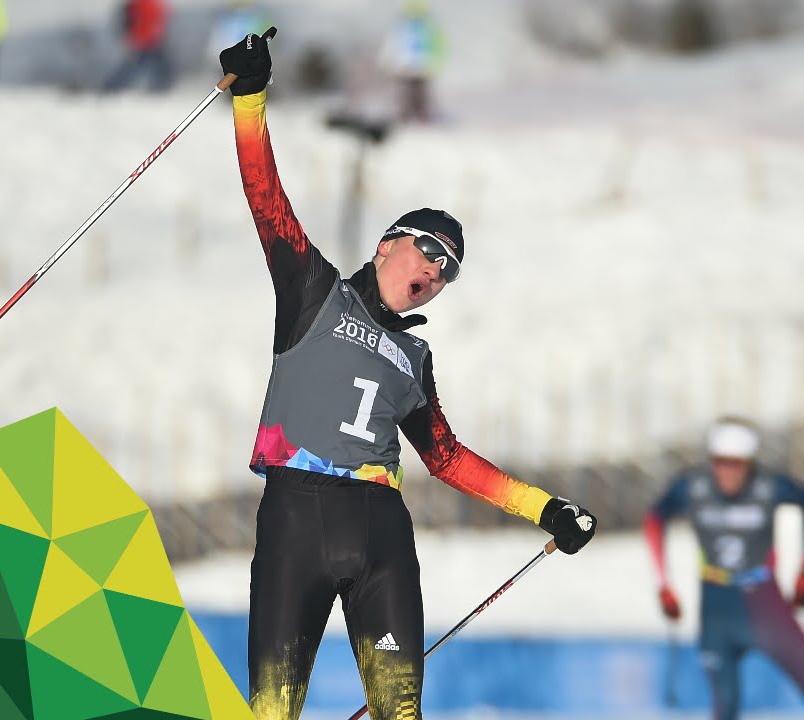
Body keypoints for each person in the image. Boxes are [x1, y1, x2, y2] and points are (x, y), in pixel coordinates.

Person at [217, 32, 597, 720]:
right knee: (270, 713)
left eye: (448, 269)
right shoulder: (314, 292)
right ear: (387, 243)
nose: (433, 271)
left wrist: (545, 508)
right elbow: (265, 198)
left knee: (401, 715)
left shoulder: (416, 360)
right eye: (426, 249)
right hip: (297, 517)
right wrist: (250, 99)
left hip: (382, 538)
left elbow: (447, 458)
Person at [644, 416, 804, 720]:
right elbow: (654, 519)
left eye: (736, 464)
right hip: (716, 602)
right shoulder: (693, 486)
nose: (726, 472)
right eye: (720, 462)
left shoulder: (768, 485)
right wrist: (664, 586)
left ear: (749, 463)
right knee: (724, 705)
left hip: (763, 600)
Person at [378, 1, 445, 123]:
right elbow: (392, 43)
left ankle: (420, 117)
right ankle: (406, 117)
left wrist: (437, 60)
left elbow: (439, 44)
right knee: (406, 94)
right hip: (406, 65)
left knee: (419, 94)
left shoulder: (428, 26)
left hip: (420, 65)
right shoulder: (403, 25)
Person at [103, 0, 172, 92]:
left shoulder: (141, 4)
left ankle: (161, 85)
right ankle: (112, 86)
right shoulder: (142, 4)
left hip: (147, 40)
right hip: (145, 40)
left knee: (142, 66)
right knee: (136, 67)